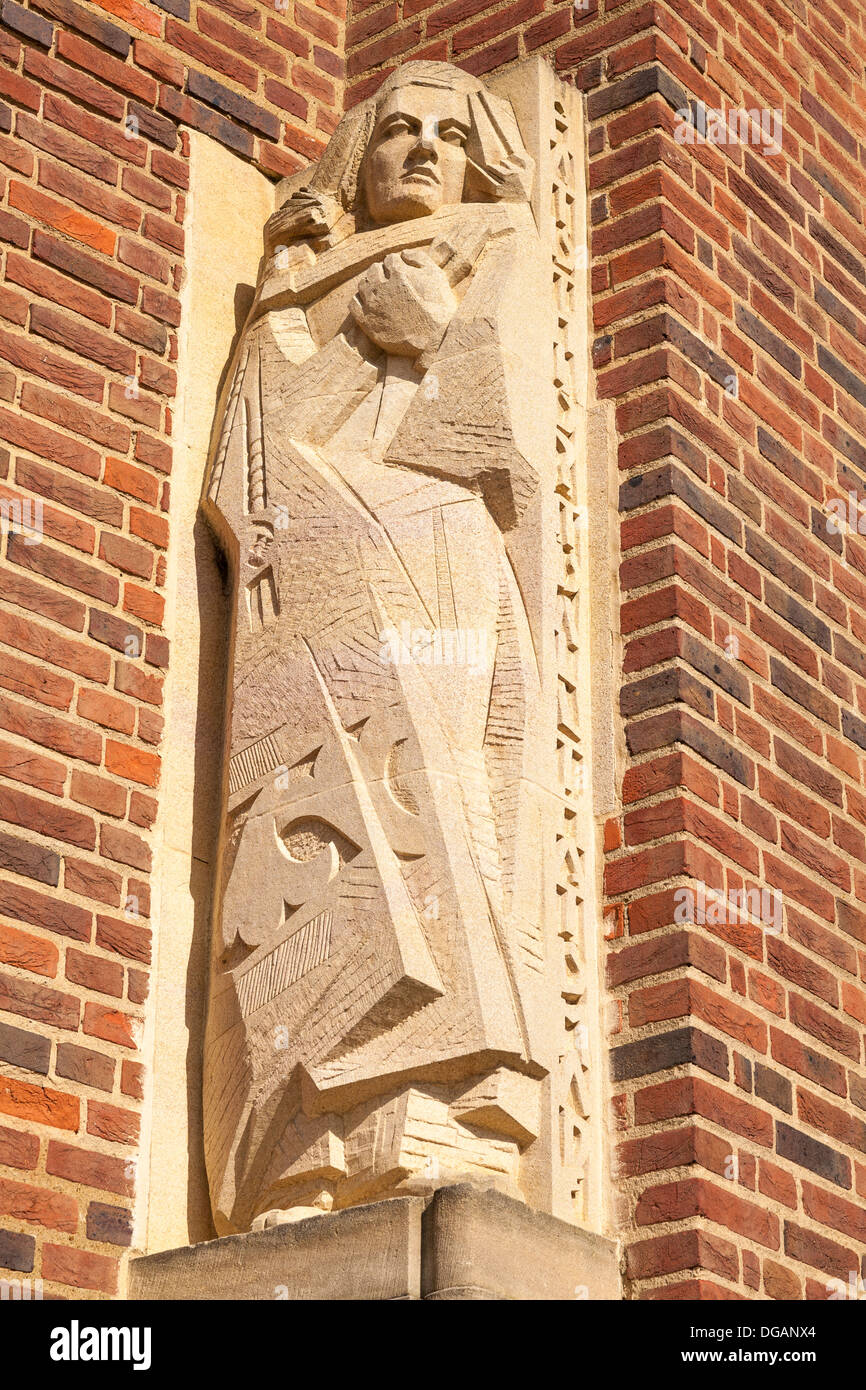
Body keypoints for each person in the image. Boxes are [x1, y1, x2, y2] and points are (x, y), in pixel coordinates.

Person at [202, 62, 558, 1235]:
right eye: (396, 128)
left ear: (475, 160)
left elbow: (511, 464)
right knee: (308, 840)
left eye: (446, 134)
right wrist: (285, 304)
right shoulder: (303, 280)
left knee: (433, 827)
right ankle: (298, 1146)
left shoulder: (493, 243)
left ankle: (436, 1118)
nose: (419, 148)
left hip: (436, 568)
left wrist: (434, 337)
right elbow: (245, 479)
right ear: (357, 157)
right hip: (309, 592)